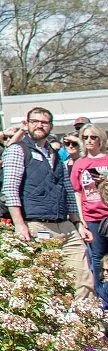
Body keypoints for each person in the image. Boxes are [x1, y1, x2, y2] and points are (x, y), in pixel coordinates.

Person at [2, 106, 94, 302]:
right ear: (27, 125)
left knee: (83, 278)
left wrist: (77, 222)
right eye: (35, 121)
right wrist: (19, 224)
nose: (40, 125)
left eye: (44, 122)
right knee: (46, 282)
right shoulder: (17, 150)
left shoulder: (53, 152)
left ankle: (86, 327)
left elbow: (67, 189)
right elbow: (10, 188)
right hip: (37, 223)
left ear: (50, 126)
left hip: (65, 224)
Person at [69, 123, 108, 308]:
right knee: (97, 259)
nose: (90, 141)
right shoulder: (80, 164)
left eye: (93, 137)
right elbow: (76, 192)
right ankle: (103, 301)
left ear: (101, 139)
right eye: (85, 138)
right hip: (91, 217)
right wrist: (81, 219)